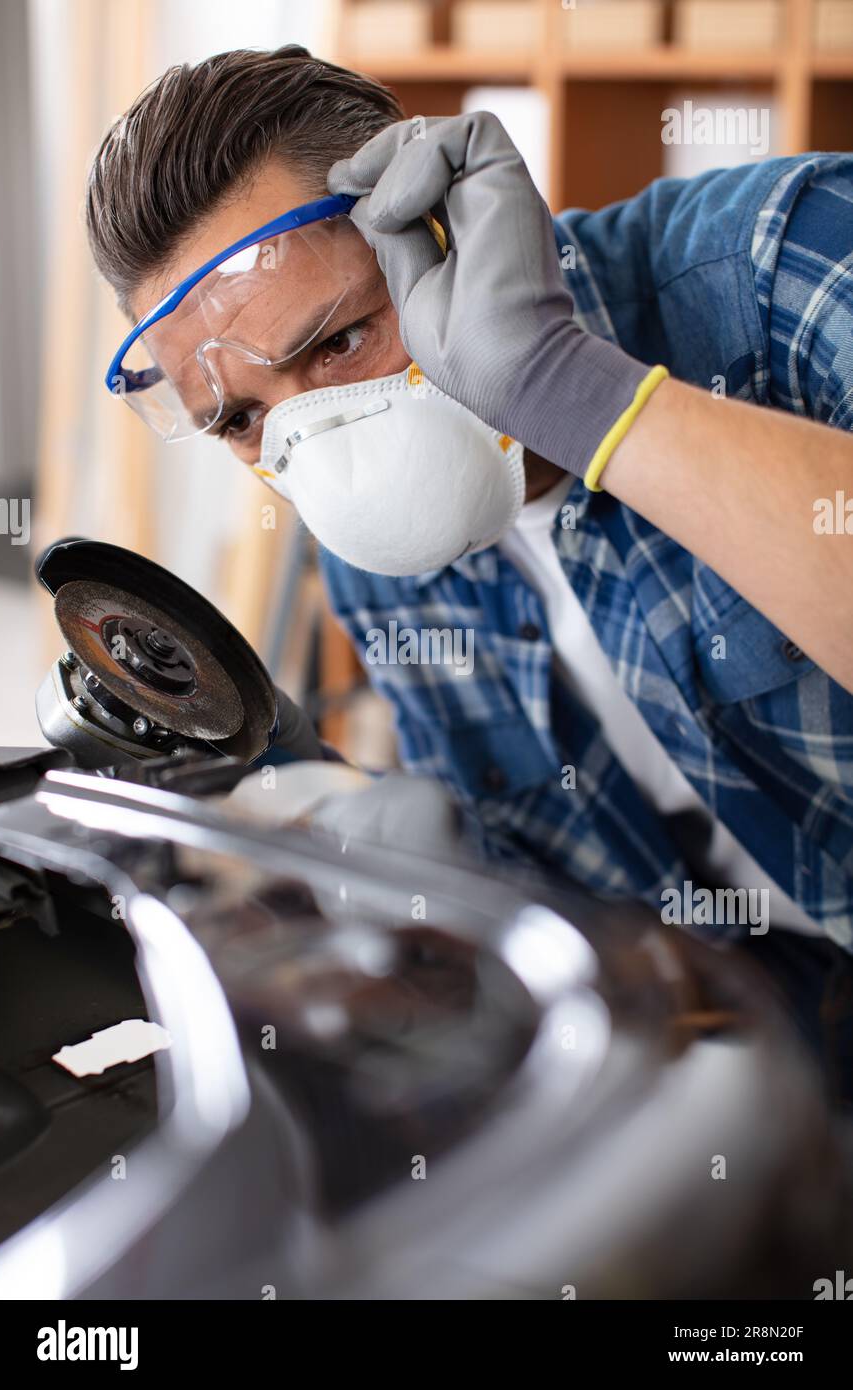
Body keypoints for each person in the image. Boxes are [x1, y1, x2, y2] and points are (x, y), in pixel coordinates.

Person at [87, 46, 853, 1100]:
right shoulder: (387, 569)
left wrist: (572, 394)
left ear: (435, 220)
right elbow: (650, 961)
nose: (317, 441)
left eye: (341, 340)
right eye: (239, 418)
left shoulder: (779, 273)